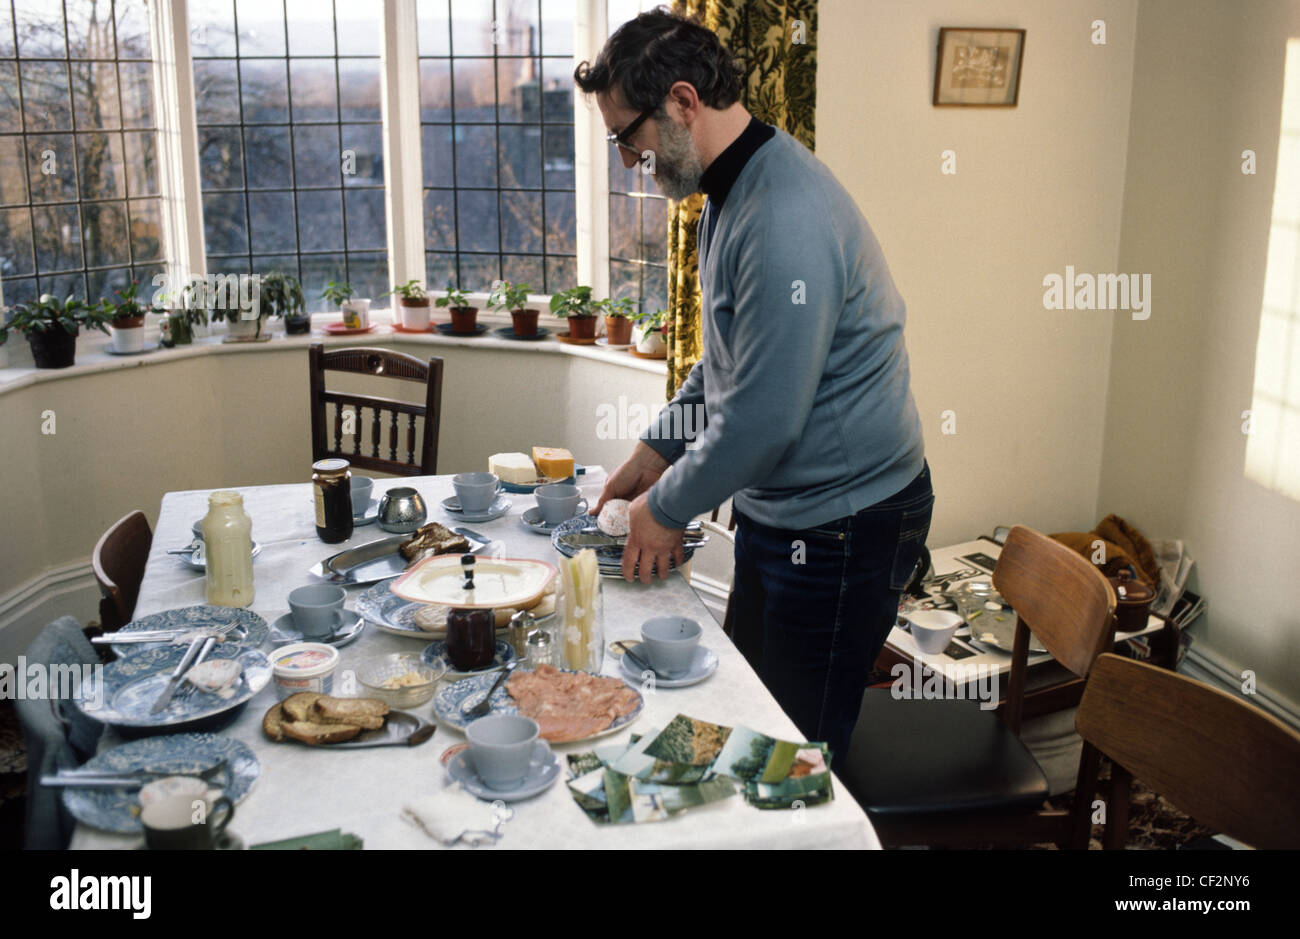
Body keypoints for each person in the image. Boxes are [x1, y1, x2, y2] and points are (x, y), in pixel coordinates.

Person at [578, 9, 933, 769]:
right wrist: (654, 454)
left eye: (626, 136)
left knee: (791, 755)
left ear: (681, 102)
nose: (627, 158)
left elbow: (766, 418)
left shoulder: (781, 216)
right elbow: (729, 362)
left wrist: (664, 508)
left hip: (846, 521)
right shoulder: (730, 189)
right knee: (748, 717)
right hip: (794, 512)